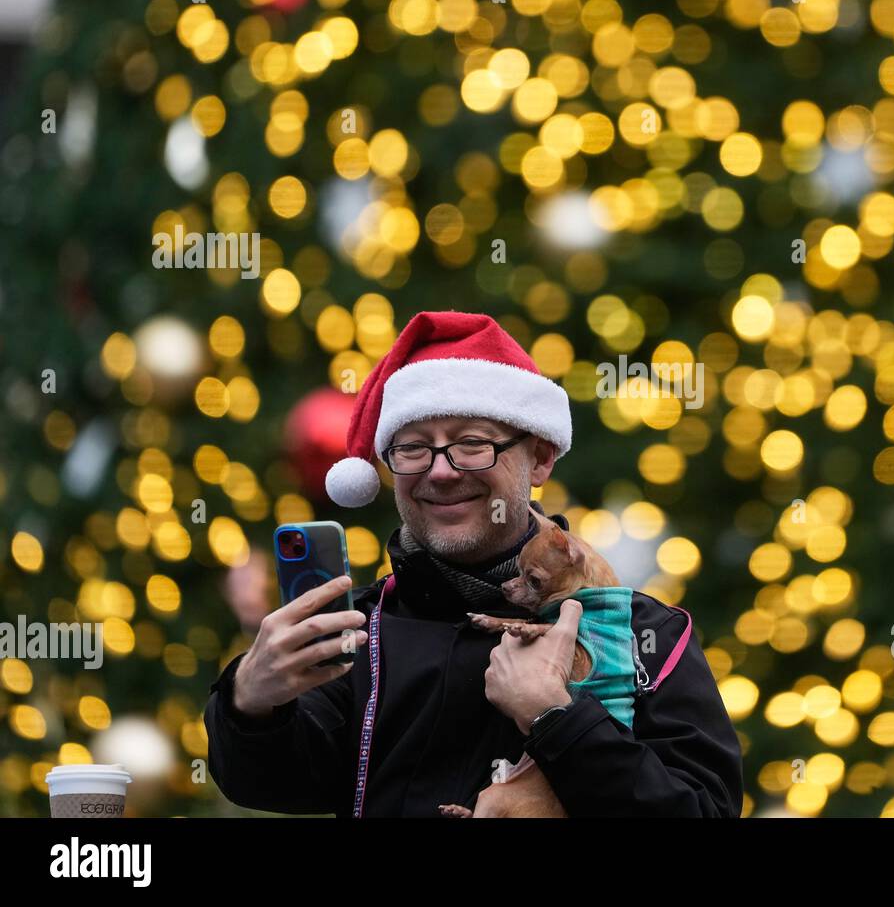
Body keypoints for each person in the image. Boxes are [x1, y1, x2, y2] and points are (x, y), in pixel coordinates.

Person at [203, 310, 744, 817]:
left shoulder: (641, 634)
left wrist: (557, 719)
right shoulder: (357, 631)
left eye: (471, 443)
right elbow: (275, 783)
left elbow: (702, 810)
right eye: (413, 448)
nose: (440, 472)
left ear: (540, 458)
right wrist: (250, 701)